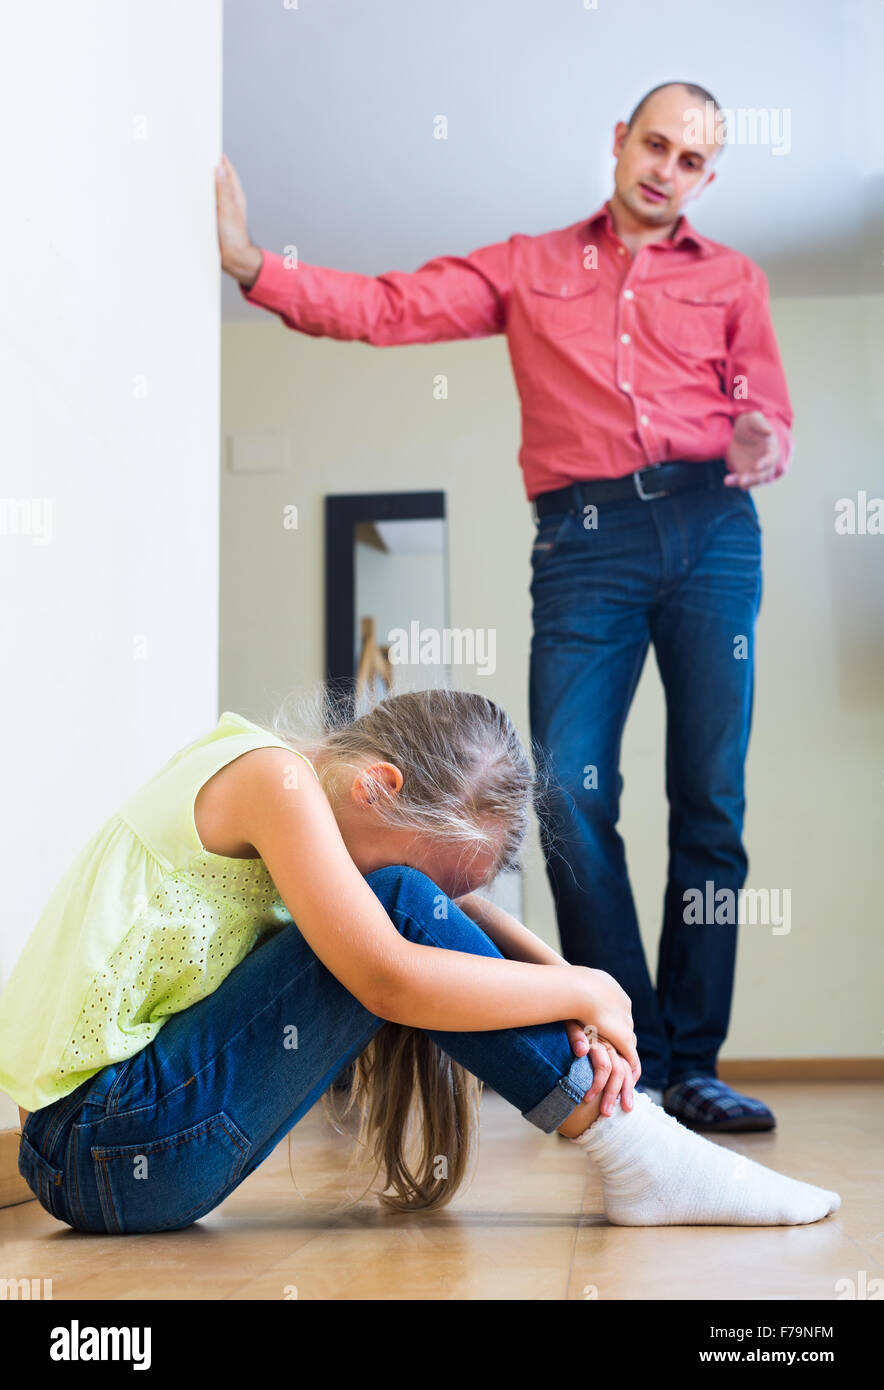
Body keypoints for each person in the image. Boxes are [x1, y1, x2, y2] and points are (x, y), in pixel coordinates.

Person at [215, 80, 791, 1133]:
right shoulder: (529, 265)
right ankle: (631, 1055)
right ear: (619, 141)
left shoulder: (733, 279)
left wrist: (762, 436)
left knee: (711, 797)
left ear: (708, 176)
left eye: (691, 160)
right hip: (584, 540)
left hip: (713, 527)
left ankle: (694, 1064)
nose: (666, 170)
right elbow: (393, 306)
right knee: (568, 793)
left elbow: (764, 407)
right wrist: (256, 266)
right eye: (654, 145)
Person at [1, 689, 839, 1233]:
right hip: (102, 1146)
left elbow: (456, 914)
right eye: (440, 876)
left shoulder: (303, 786)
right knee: (397, 907)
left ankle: (638, 1142)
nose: (442, 904)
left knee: (404, 900)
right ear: (378, 786)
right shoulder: (271, 783)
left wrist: (582, 992)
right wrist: (584, 986)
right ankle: (637, 1150)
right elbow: (389, 973)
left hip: (112, 1151)